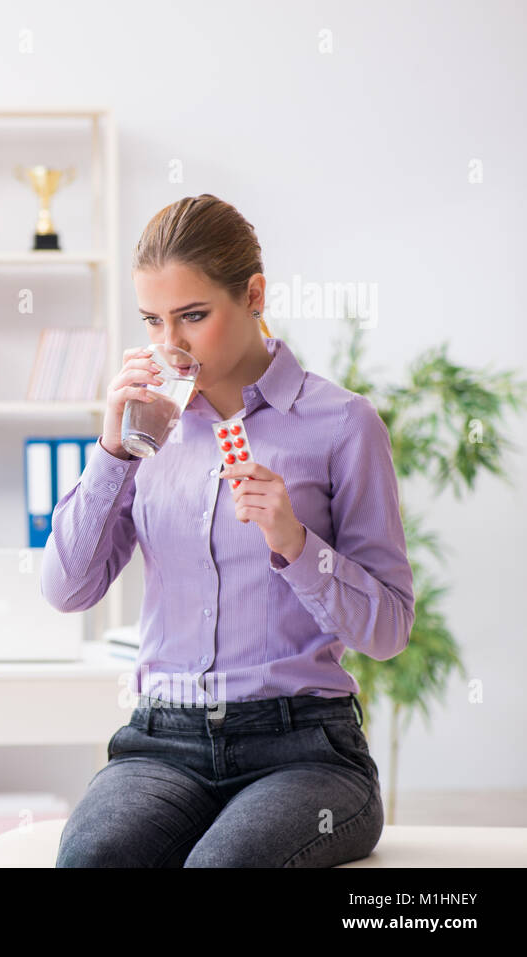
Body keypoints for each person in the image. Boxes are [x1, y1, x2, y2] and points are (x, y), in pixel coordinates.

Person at [42, 194, 414, 867]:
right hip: (163, 741)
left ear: (253, 294)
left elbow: (387, 629)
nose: (170, 346)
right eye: (153, 321)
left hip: (304, 749)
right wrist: (110, 451)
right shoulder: (147, 427)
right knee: (91, 858)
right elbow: (66, 589)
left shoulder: (341, 424)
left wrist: (297, 545)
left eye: (193, 316)